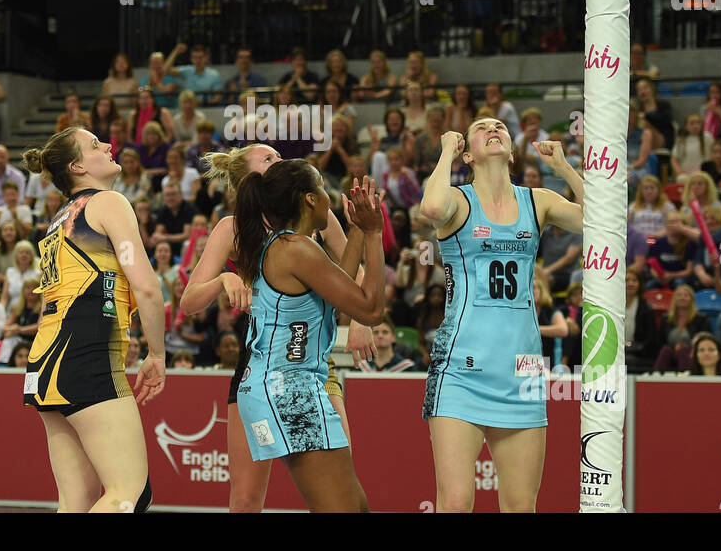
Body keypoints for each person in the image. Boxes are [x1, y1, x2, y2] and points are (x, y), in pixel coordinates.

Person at [179, 143, 374, 512]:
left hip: (313, 360)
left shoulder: (316, 210)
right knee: (247, 497)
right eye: (268, 158)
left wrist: (361, 318)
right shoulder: (232, 228)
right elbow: (189, 302)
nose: (279, 160)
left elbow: (354, 272)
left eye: (279, 157)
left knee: (343, 489)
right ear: (249, 179)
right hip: (262, 362)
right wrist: (223, 280)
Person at [418, 118, 584, 513]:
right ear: (469, 153)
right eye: (481, 127)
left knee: (520, 506)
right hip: (461, 370)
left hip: (522, 370)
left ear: (511, 152)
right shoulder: (458, 199)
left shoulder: (537, 200)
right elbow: (432, 207)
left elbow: (602, 221)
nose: (493, 127)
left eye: (500, 126)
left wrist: (563, 168)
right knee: (456, 503)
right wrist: (445, 152)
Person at [21, 127, 166, 513]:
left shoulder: (60, 218)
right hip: (86, 355)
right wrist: (157, 354)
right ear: (78, 166)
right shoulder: (109, 202)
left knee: (76, 501)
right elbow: (148, 287)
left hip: (46, 359)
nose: (108, 145)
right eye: (95, 144)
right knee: (127, 495)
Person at [232, 161, 384, 512]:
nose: (331, 198)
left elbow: (337, 289)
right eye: (322, 187)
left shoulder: (292, 247)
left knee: (356, 508)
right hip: (288, 390)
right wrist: (375, 234)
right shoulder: (294, 249)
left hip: (288, 385)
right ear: (309, 199)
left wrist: (358, 230)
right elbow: (370, 310)